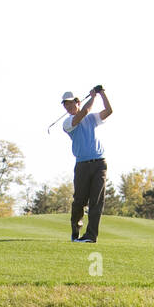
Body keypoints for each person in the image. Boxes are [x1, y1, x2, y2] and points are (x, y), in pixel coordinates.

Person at [61, 86, 113, 242]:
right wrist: (93, 97)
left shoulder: (92, 119)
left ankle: (91, 236)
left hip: (99, 163)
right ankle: (75, 232)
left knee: (96, 202)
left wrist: (102, 93)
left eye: (71, 103)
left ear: (77, 102)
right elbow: (83, 113)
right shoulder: (68, 122)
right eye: (66, 105)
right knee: (79, 201)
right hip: (82, 165)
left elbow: (109, 111)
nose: (69, 107)